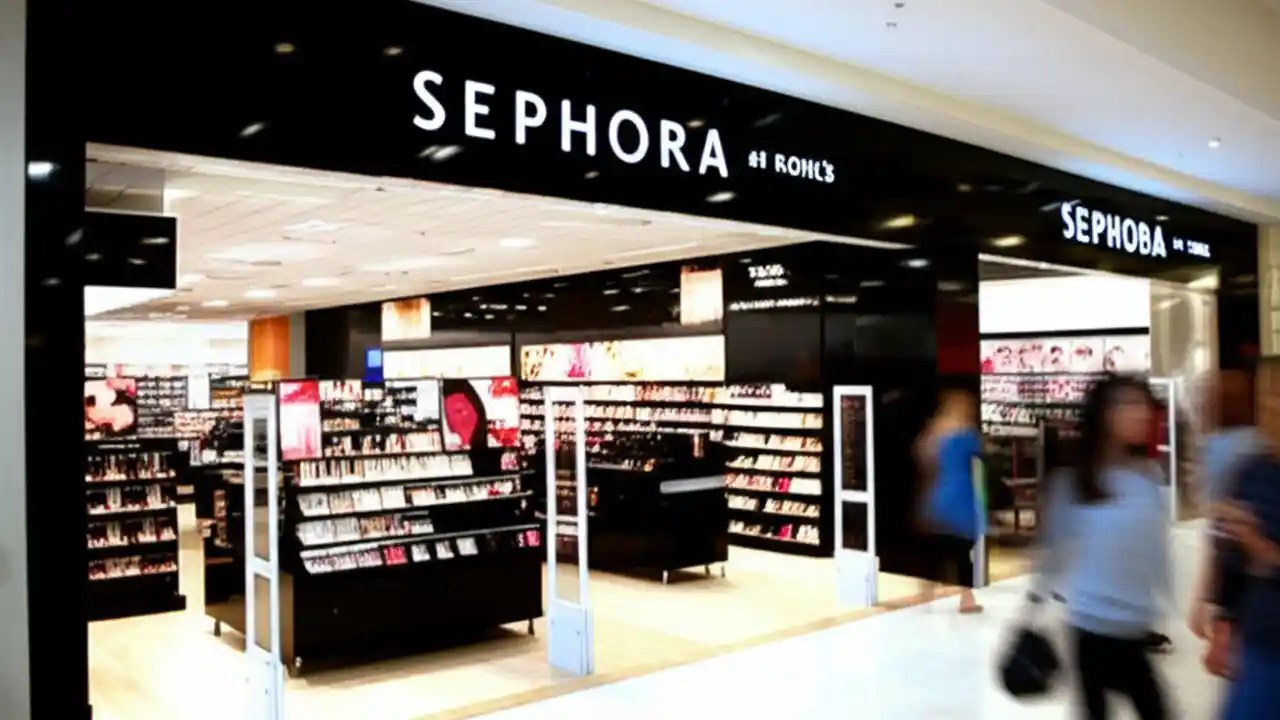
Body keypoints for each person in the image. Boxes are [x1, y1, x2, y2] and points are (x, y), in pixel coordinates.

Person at [1033, 375, 1171, 720]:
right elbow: (1052, 553)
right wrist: (1035, 605)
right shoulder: (1075, 480)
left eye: (1144, 405)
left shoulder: (1148, 477)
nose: (1142, 414)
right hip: (1091, 627)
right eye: (1130, 404)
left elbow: (1155, 552)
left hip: (1134, 627)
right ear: (1104, 415)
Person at [1209, 359, 1280, 718]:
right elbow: (1230, 557)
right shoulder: (1250, 471)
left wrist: (1261, 547)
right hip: (1260, 642)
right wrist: (1223, 624)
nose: (1270, 406)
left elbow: (1257, 552)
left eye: (1278, 395)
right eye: (1264, 395)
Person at [1186, 368, 1261, 641]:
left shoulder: (1217, 447)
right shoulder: (1260, 439)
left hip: (1237, 569)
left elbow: (1219, 527)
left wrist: (1203, 595)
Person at [917, 387, 984, 614]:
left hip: (939, 493)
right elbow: (981, 460)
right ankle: (967, 599)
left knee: (936, 549)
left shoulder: (936, 432)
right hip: (962, 495)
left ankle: (925, 593)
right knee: (962, 553)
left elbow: (924, 457)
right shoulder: (968, 434)